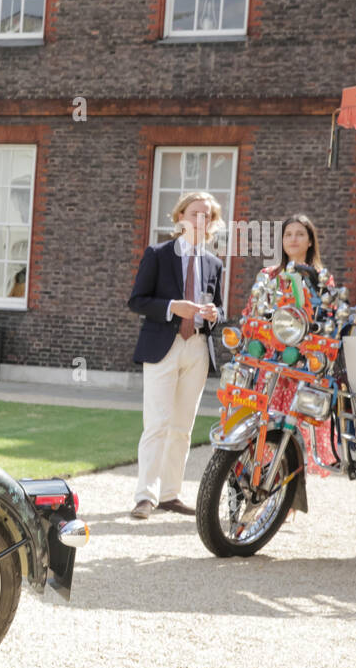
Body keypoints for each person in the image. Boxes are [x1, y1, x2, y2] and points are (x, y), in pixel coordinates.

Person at [128, 191, 226, 519]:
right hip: (163, 347)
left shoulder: (214, 263)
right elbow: (137, 301)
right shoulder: (158, 254)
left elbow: (221, 309)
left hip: (197, 348)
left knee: (182, 427)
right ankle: (145, 496)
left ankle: (170, 494)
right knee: (157, 423)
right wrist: (173, 307)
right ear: (180, 216)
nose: (201, 220)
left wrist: (214, 313)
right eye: (195, 213)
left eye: (208, 216)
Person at [245, 214, 338, 472]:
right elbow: (252, 312)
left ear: (310, 241)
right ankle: (263, 484)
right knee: (265, 425)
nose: (293, 239)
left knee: (297, 430)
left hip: (303, 364)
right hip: (271, 360)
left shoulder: (321, 278)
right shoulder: (268, 275)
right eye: (288, 234)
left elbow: (327, 321)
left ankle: (290, 497)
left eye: (300, 234)